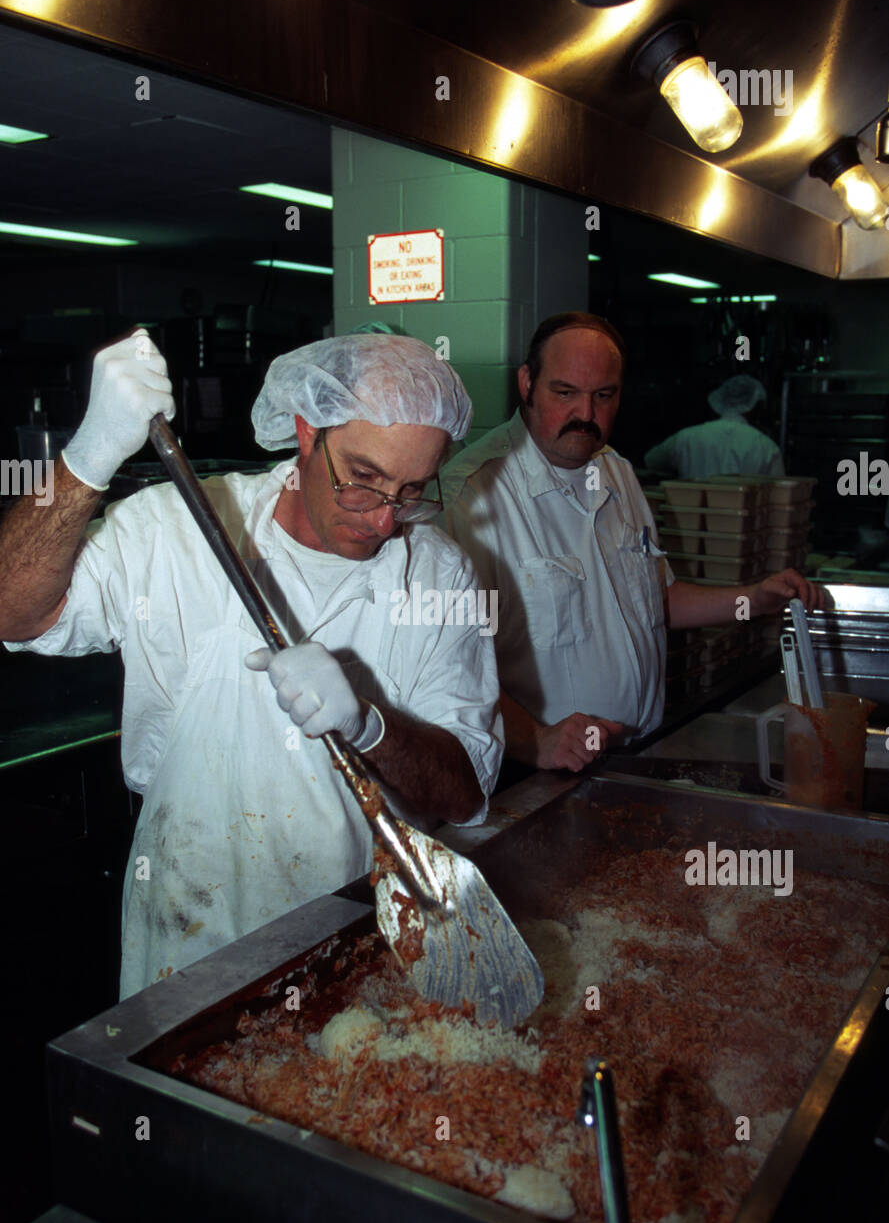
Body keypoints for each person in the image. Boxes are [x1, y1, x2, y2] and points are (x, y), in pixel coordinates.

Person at [0, 330, 502, 998]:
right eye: (363, 479)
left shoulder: (438, 575)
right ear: (306, 431)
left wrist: (372, 726)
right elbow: (14, 612)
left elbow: (465, 794)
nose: (384, 522)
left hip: (363, 948)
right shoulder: (172, 531)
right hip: (188, 936)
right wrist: (88, 458)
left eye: (410, 492)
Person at [440, 313, 822, 774]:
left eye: (603, 396)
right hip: (539, 772)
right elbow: (449, 661)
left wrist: (753, 599)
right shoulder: (472, 498)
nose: (585, 414)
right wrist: (534, 739)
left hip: (635, 754)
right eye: (565, 393)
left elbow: (654, 599)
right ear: (526, 383)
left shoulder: (616, 472)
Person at [643, 375, 784, 478]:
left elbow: (651, 461)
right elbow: (780, 494)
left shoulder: (687, 437)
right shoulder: (765, 447)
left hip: (689, 517)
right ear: (756, 406)